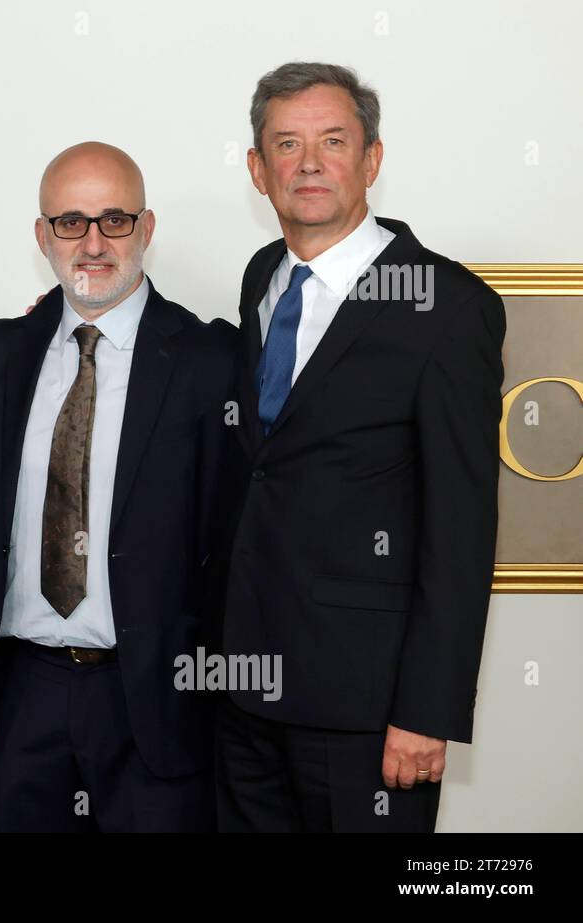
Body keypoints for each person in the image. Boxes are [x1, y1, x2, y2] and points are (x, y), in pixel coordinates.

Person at [213, 62, 505, 832]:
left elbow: (462, 529)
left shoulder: (447, 305)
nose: (309, 162)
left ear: (371, 160)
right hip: (245, 692)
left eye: (332, 141)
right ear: (258, 169)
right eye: (286, 143)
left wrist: (426, 711)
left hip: (370, 712)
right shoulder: (260, 279)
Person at [0, 142, 238, 831]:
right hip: (29, 692)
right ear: (43, 236)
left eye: (116, 219)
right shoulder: (1, 352)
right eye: (72, 222)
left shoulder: (210, 359)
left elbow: (246, 536)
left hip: (157, 702)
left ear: (148, 228)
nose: (95, 242)